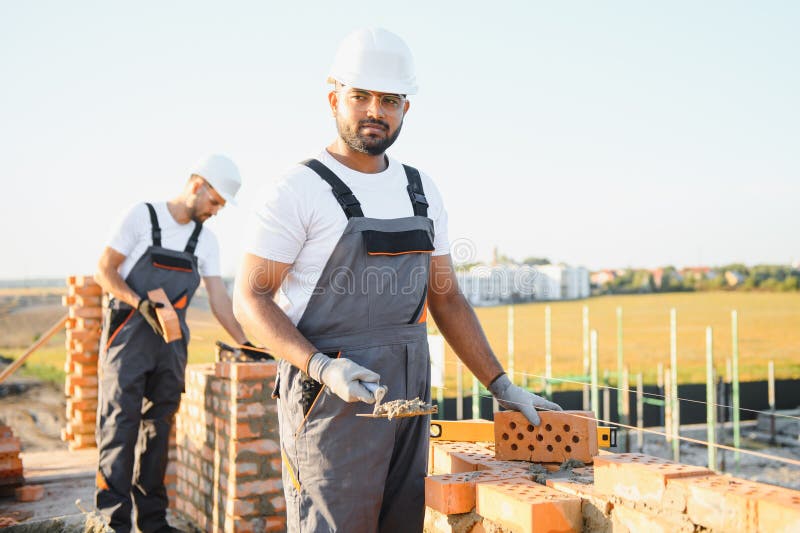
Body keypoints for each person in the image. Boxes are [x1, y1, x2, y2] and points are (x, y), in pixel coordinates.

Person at [233, 28, 562, 532]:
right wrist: (320, 366)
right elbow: (249, 300)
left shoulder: (420, 190)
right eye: (360, 96)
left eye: (388, 99)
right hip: (329, 402)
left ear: (406, 107)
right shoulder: (296, 190)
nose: (374, 111)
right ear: (332, 98)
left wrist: (501, 385)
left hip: (407, 398)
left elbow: (447, 300)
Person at [94, 154, 269, 533]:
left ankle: (154, 523)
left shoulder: (206, 241)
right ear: (196, 186)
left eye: (221, 206)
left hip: (170, 346)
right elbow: (104, 270)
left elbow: (219, 299)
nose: (217, 211)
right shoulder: (141, 217)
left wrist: (247, 343)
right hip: (128, 337)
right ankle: (112, 523)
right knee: (118, 430)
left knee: (158, 435)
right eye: (215, 202)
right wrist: (139, 303)